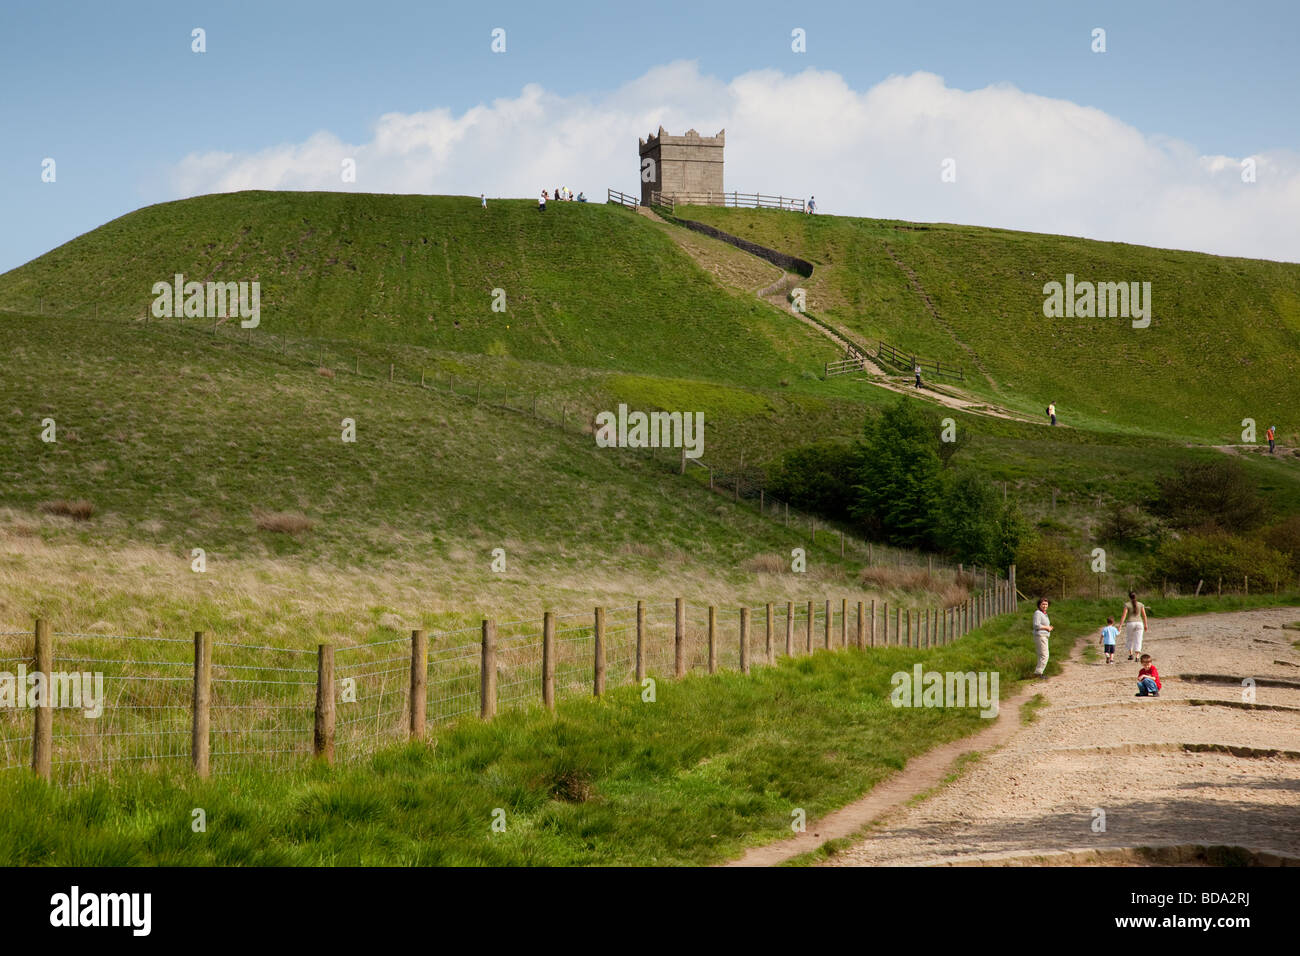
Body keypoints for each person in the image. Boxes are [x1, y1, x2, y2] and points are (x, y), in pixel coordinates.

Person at [1118, 591, 1148, 660]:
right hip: (1139, 623)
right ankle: (1137, 656)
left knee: (1129, 638)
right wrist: (1146, 624)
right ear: (1135, 596)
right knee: (1138, 639)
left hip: (1130, 623)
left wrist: (1120, 625)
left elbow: (1124, 616)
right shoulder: (1141, 604)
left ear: (1129, 597)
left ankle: (1130, 654)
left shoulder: (1127, 605)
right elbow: (1144, 616)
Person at [1032, 597, 1053, 677]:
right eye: (1043, 604)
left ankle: (1038, 672)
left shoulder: (1044, 613)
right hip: (1040, 636)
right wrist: (1047, 628)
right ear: (1039, 605)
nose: (1045, 606)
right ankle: (1038, 673)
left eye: (1046, 604)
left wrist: (1049, 627)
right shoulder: (1038, 613)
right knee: (1045, 655)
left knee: (1041, 655)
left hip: (1044, 636)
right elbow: (1036, 625)